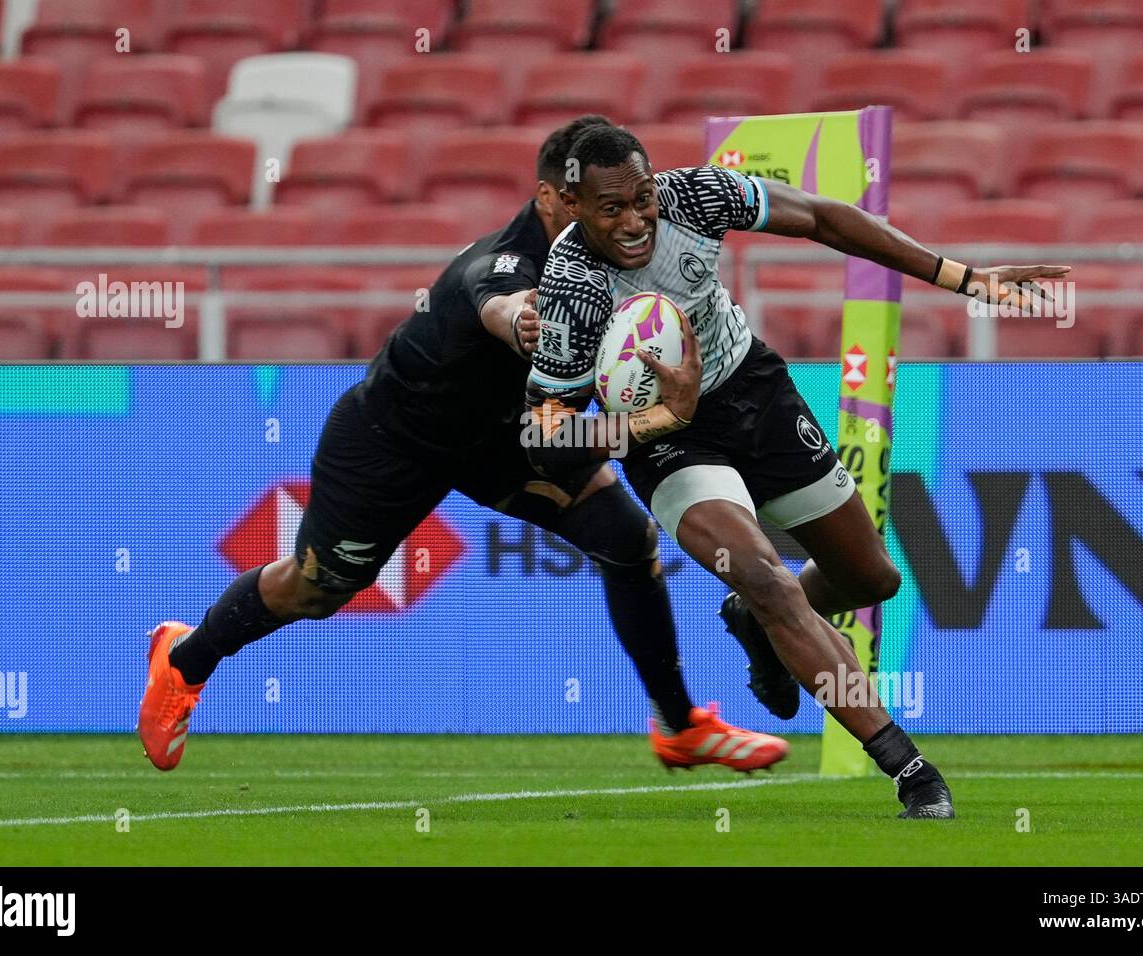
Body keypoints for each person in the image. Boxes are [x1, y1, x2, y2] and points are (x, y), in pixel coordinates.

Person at [137, 116, 788, 775]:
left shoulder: (610, 256)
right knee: (318, 589)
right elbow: (498, 303)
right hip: (394, 440)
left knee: (625, 536)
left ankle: (679, 727)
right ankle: (185, 658)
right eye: (583, 201)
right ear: (549, 199)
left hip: (501, 439)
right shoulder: (504, 266)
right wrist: (523, 319)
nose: (614, 217)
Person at [522, 124, 1070, 818]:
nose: (635, 221)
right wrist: (656, 421)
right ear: (573, 206)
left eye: (642, 198)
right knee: (763, 575)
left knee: (872, 578)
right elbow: (544, 437)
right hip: (668, 442)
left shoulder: (694, 196)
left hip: (755, 395)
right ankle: (910, 769)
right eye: (611, 208)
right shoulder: (571, 289)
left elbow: (819, 216)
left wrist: (962, 278)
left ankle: (756, 625)